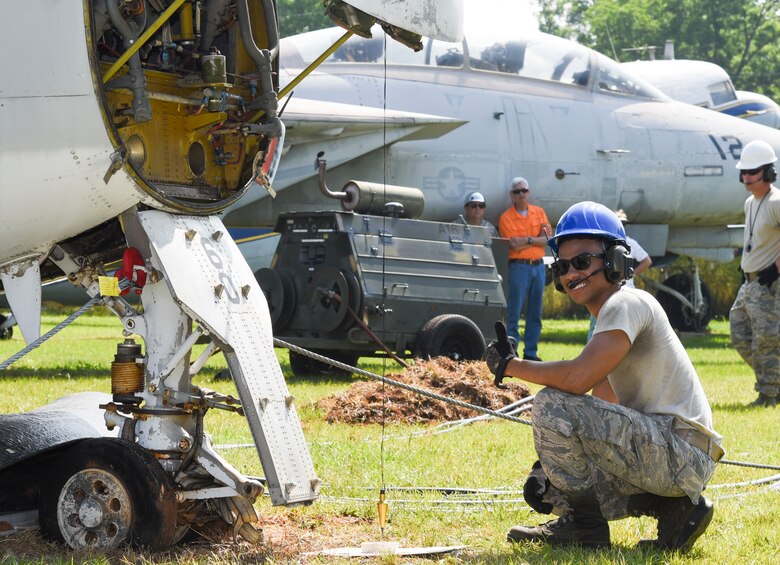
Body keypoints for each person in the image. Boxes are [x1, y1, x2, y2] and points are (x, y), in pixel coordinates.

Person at [486, 201, 723, 552]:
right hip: (672, 455)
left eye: (582, 262)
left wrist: (511, 366)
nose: (570, 274)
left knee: (550, 404)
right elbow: (603, 401)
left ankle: (586, 530)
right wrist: (555, 461)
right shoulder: (612, 319)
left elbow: (577, 378)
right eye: (563, 266)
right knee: (548, 488)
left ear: (614, 260)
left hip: (679, 452)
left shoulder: (625, 303)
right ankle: (675, 508)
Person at [729, 139, 780, 408]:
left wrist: (774, 268)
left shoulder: (776, 201)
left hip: (769, 282)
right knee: (739, 333)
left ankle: (770, 395)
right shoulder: (751, 202)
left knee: (766, 340)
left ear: (768, 173)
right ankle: (774, 381)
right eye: (743, 172)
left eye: (752, 172)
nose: (746, 177)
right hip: (750, 282)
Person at [498, 177, 551, 360]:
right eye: (517, 191)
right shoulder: (505, 218)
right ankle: (512, 352)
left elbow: (547, 239)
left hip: (538, 267)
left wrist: (527, 240)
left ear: (528, 192)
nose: (521, 194)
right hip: (518, 268)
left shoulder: (539, 212)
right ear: (512, 196)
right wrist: (535, 240)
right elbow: (513, 245)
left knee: (535, 314)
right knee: (514, 313)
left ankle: (531, 353)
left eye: (524, 190)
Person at [586, 209, 652, 341]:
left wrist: (631, 273)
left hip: (624, 292)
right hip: (605, 293)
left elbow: (647, 261)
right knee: (597, 325)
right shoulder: (603, 244)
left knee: (624, 327)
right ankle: (592, 354)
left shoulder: (629, 243)